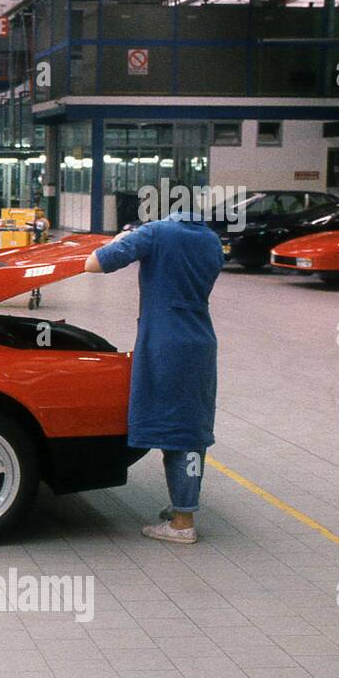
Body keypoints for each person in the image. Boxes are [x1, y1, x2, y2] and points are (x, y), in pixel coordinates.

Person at [85, 212, 224, 544]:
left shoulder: (156, 232)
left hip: (165, 340)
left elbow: (95, 263)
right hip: (200, 338)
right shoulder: (211, 238)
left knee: (171, 427)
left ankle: (182, 523)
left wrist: (121, 240)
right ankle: (183, 504)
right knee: (191, 428)